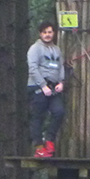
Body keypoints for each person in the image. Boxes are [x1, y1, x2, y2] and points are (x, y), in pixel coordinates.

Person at [27, 21, 66, 157]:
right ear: (40, 34)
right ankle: (38, 146)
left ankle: (49, 140)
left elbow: (61, 66)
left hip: (54, 88)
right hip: (38, 87)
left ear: (53, 33)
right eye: (44, 32)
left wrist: (61, 82)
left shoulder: (57, 49)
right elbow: (33, 68)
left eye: (49, 32)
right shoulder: (35, 48)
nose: (47, 35)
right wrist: (43, 86)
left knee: (59, 112)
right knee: (38, 117)